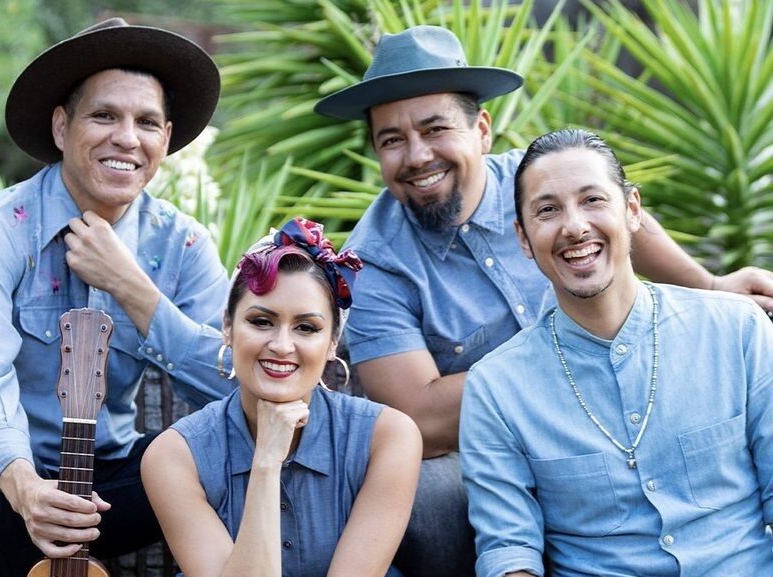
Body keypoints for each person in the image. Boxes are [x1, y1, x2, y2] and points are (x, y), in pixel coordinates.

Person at [314, 24, 773, 577]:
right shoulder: (375, 262)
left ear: (481, 129)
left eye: (436, 128)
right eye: (391, 140)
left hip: (632, 406)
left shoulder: (538, 182)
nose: (417, 155)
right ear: (523, 238)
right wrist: (559, 361)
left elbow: (616, 218)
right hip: (499, 440)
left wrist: (710, 291)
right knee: (431, 493)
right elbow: (419, 414)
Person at [0, 18, 233, 577]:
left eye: (146, 122)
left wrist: (132, 288)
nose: (127, 137)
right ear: (61, 127)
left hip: (104, 488)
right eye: (104, 115)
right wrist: (28, 489)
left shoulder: (185, 245)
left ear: (166, 140)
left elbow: (232, 376)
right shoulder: (0, 228)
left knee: (228, 454)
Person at [459, 128, 773, 576]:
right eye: (547, 210)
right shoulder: (496, 387)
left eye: (593, 200)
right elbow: (509, 549)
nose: (574, 226)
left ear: (632, 210)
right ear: (524, 238)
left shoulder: (736, 331)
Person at [141, 217, 422, 577]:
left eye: (307, 327)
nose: (282, 345)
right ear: (227, 326)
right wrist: (266, 462)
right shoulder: (174, 455)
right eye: (261, 321)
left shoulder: (388, 436)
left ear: (333, 342)